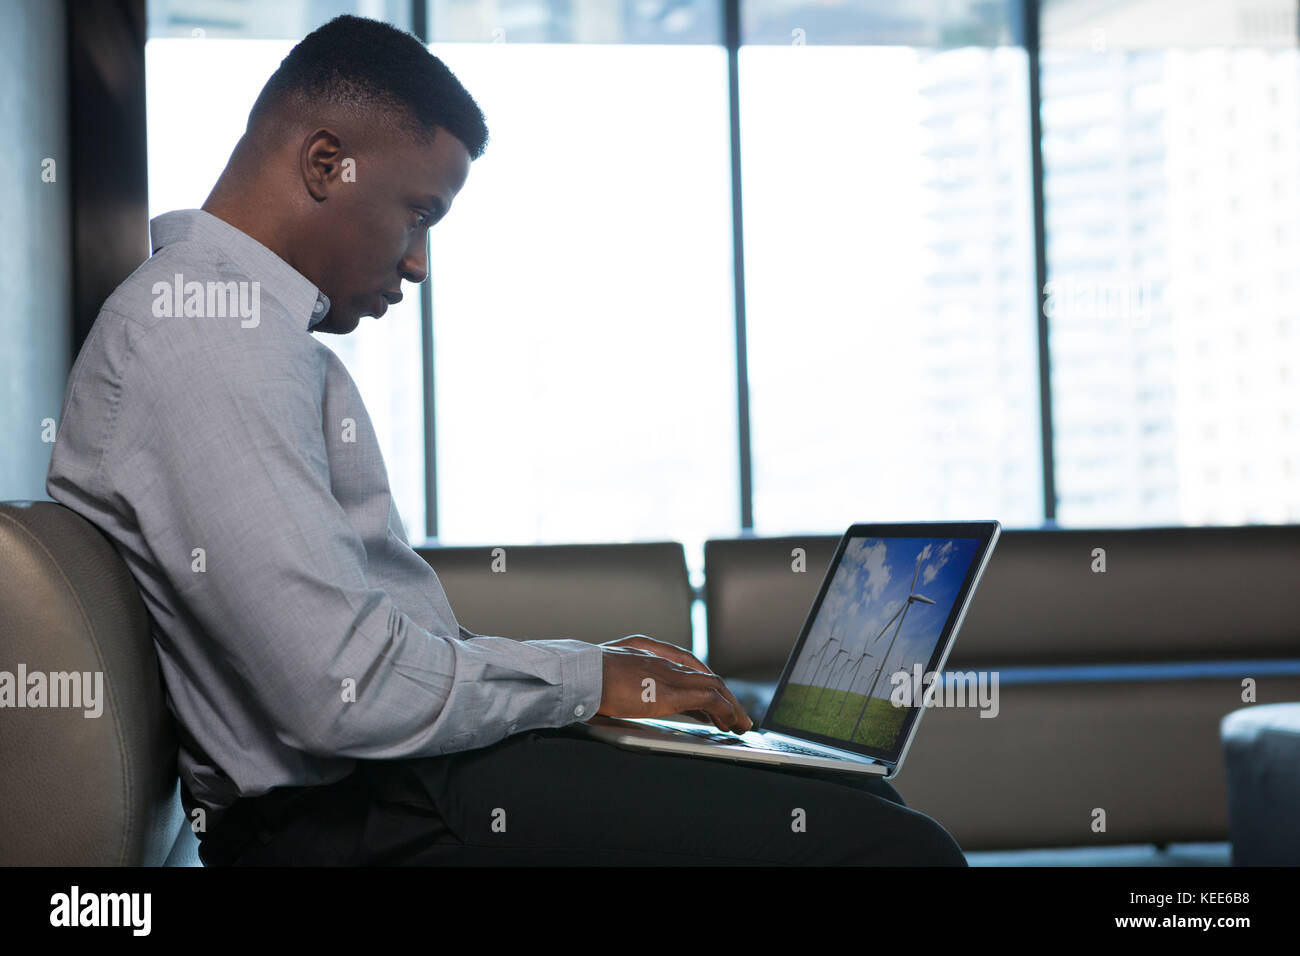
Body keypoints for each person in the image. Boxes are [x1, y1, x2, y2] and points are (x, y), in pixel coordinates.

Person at [46, 14, 967, 866]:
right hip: (361, 823)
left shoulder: (236, 327)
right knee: (890, 851)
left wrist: (588, 674)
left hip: (392, 790)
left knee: (821, 788)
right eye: (419, 215)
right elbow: (344, 688)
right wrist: (588, 680)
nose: (418, 262)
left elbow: (365, 645)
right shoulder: (210, 335)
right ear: (326, 163)